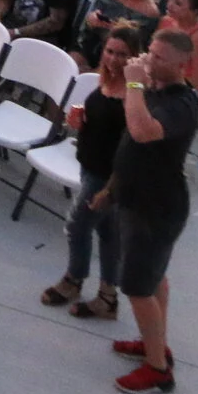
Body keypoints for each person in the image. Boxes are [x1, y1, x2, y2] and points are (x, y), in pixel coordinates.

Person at [106, 28, 198, 394]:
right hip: (137, 200)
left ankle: (158, 369)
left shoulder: (182, 103)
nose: (149, 60)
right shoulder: (157, 90)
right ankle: (155, 344)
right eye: (151, 52)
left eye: (160, 58)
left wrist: (134, 86)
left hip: (156, 209)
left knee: (136, 286)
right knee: (154, 279)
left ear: (185, 65)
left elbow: (142, 131)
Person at [41, 30, 136, 320]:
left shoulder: (133, 92)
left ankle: (74, 278)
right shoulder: (105, 81)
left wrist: (111, 187)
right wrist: (81, 121)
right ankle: (108, 295)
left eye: (122, 54)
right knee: (107, 231)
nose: (113, 59)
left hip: (107, 175)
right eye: (110, 51)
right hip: (90, 164)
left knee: (76, 225)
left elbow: (129, 142)